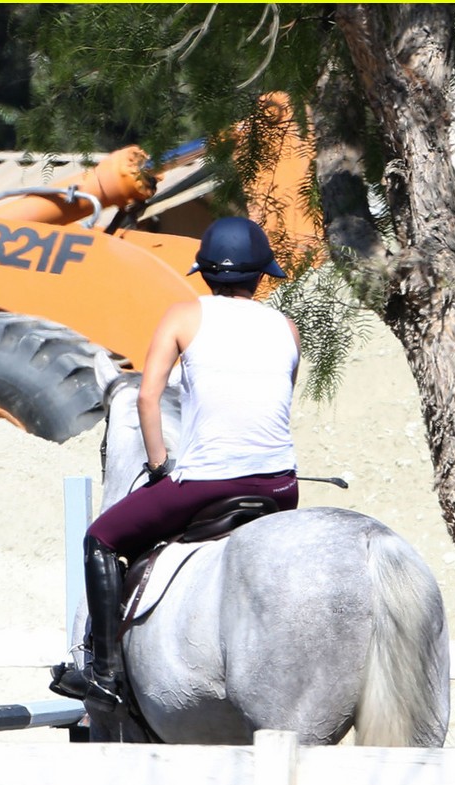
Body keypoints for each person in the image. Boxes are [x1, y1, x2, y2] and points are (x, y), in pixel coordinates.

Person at [51, 216, 301, 710]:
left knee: (100, 539)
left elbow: (147, 398)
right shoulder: (285, 327)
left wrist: (162, 465)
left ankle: (103, 674)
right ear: (261, 276)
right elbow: (278, 402)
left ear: (204, 273)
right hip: (280, 486)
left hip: (208, 484)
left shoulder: (183, 317)